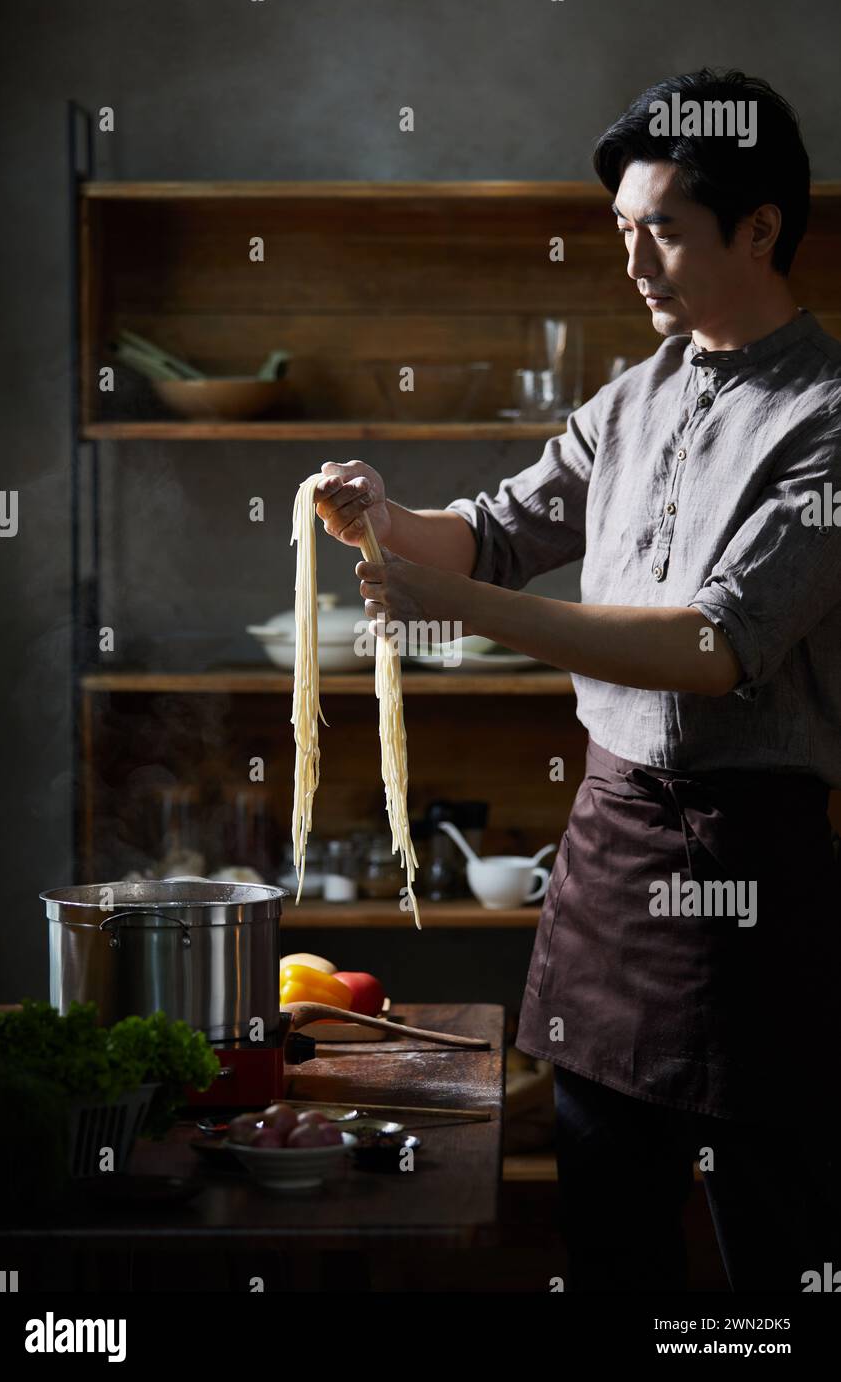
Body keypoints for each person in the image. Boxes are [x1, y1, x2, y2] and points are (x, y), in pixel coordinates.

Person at [312, 69, 841, 1293]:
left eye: (661, 228)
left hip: (746, 868)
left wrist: (464, 608)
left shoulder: (824, 418)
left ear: (759, 226)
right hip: (605, 854)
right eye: (620, 232)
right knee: (607, 1237)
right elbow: (492, 531)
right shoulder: (632, 393)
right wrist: (388, 519)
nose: (634, 265)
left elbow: (713, 645)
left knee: (781, 1244)